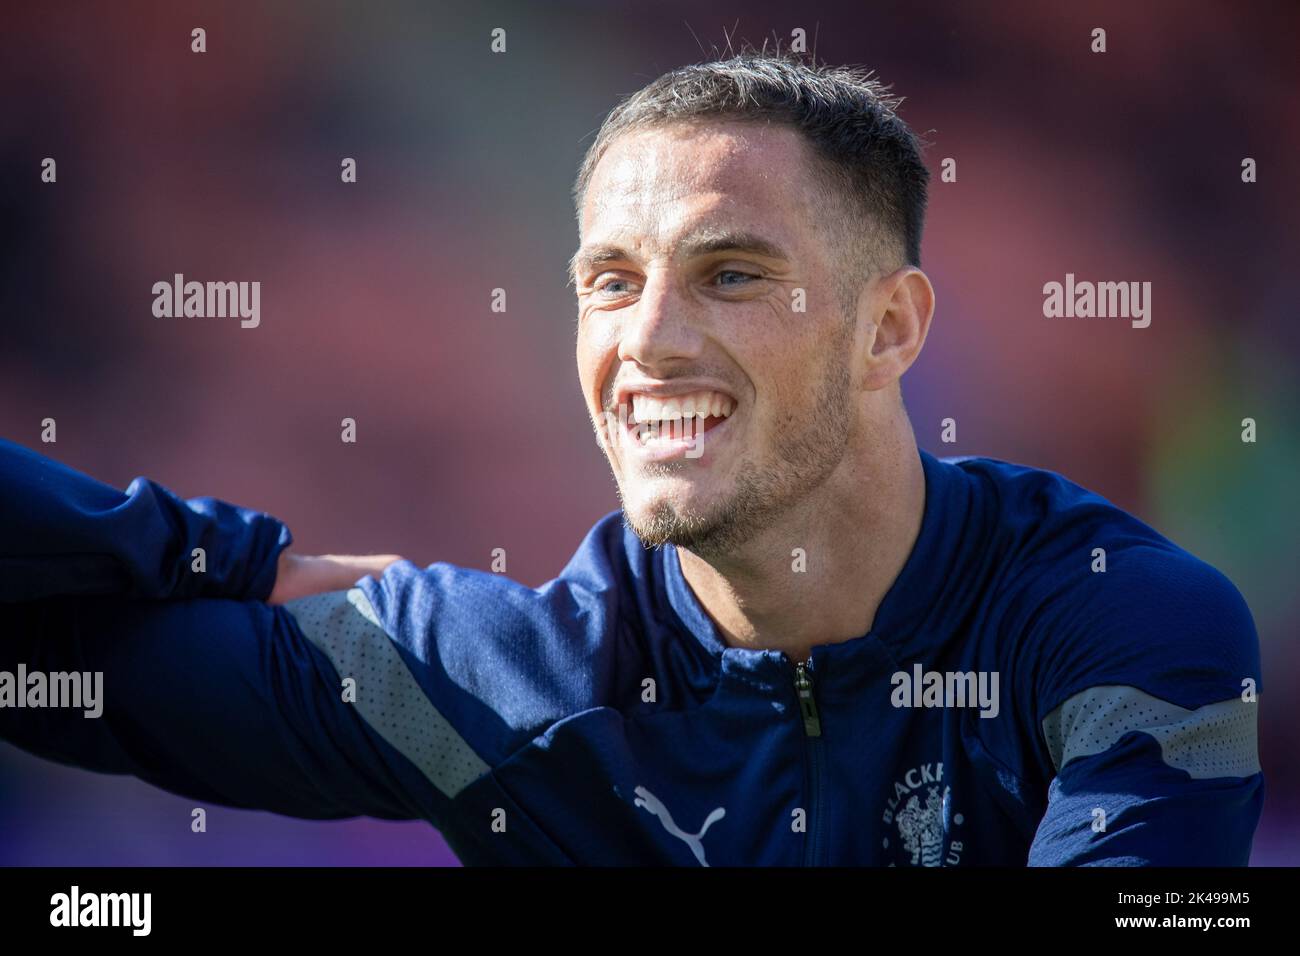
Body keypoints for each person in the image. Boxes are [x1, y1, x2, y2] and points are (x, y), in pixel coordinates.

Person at [0, 51, 1262, 866]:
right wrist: (198, 550)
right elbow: (37, 669)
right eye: (609, 282)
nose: (648, 341)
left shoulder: (1122, 624)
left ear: (891, 328)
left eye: (729, 274)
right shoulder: (494, 682)